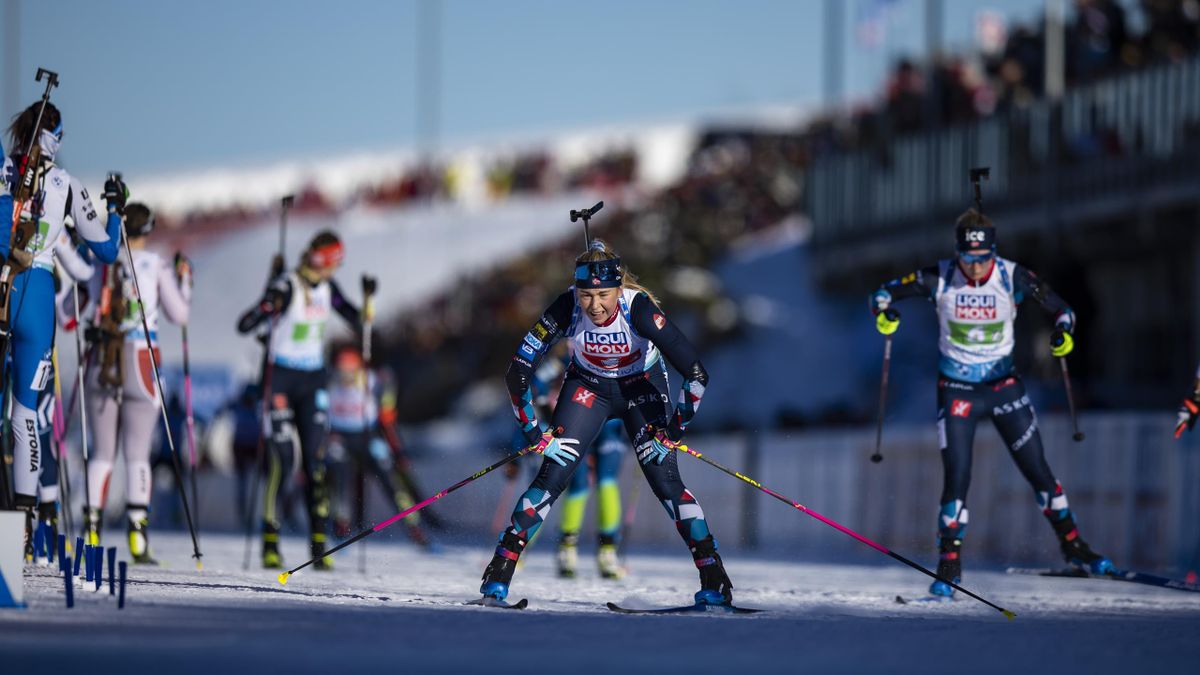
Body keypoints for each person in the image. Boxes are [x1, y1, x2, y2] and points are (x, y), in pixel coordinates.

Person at [869, 208, 1112, 598]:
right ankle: (949, 565)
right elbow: (882, 294)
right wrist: (884, 314)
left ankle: (1074, 546)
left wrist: (1063, 334)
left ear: (993, 252)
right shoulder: (939, 276)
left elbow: (1063, 310)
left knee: (1038, 471)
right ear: (958, 253)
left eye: (983, 259)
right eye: (968, 259)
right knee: (957, 476)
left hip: (1004, 387)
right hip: (958, 389)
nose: (976, 267)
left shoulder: (1012, 275)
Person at [477, 239, 732, 606]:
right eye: (586, 296)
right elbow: (518, 371)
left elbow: (696, 374)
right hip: (588, 389)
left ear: (619, 288)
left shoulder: (638, 308)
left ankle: (714, 577)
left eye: (604, 295)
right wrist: (533, 432)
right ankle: (498, 576)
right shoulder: (566, 307)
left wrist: (673, 431)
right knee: (551, 477)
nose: (594, 306)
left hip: (640, 387)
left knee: (665, 481)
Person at [1, 101, 122, 547]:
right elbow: (106, 251)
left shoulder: (4, 170)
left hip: (4, 284)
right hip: (36, 294)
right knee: (26, 415)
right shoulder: (65, 183)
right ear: (52, 137)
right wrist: (115, 208)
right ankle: (24, 523)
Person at [236, 230, 369, 570]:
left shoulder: (328, 289)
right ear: (322, 259)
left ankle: (319, 544)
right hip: (280, 377)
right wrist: (268, 302)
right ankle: (270, 541)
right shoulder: (287, 285)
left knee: (316, 461)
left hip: (312, 381)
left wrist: (368, 305)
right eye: (334, 261)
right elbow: (246, 324)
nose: (336, 268)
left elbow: (356, 319)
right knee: (282, 461)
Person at [77, 203, 190, 563]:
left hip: (102, 356)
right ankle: (138, 539)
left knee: (102, 452)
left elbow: (75, 309)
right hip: (142, 359)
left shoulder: (100, 261)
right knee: (137, 453)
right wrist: (185, 282)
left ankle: (91, 530)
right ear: (148, 229)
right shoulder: (155, 263)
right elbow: (180, 314)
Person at [326, 345, 431, 548]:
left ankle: (414, 527)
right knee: (339, 477)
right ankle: (341, 527)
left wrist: (396, 447)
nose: (346, 376)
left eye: (350, 371)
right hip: (340, 437)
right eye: (342, 371)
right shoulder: (330, 383)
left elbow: (387, 401)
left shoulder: (371, 379)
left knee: (391, 479)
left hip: (368, 436)